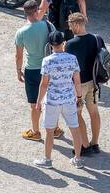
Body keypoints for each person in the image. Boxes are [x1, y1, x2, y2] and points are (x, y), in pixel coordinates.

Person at [33, 30, 84, 169]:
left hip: (52, 101)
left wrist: (38, 101)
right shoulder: (72, 59)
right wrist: (79, 98)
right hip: (68, 99)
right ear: (63, 43)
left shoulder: (47, 61)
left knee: (49, 131)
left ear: (50, 45)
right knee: (75, 129)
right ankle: (78, 159)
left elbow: (44, 84)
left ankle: (48, 160)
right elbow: (77, 81)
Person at [14, 0, 61, 142]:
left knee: (34, 103)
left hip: (32, 70)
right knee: (52, 99)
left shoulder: (21, 32)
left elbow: (19, 55)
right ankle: (56, 129)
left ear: (25, 13)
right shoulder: (48, 25)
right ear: (36, 11)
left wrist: (18, 70)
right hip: (49, 68)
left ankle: (35, 131)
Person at [65, 12, 105, 154]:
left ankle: (85, 145)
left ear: (75, 24)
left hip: (78, 86)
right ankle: (95, 143)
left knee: (77, 114)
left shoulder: (70, 45)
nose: (70, 29)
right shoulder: (96, 39)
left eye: (70, 25)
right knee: (94, 113)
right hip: (93, 83)